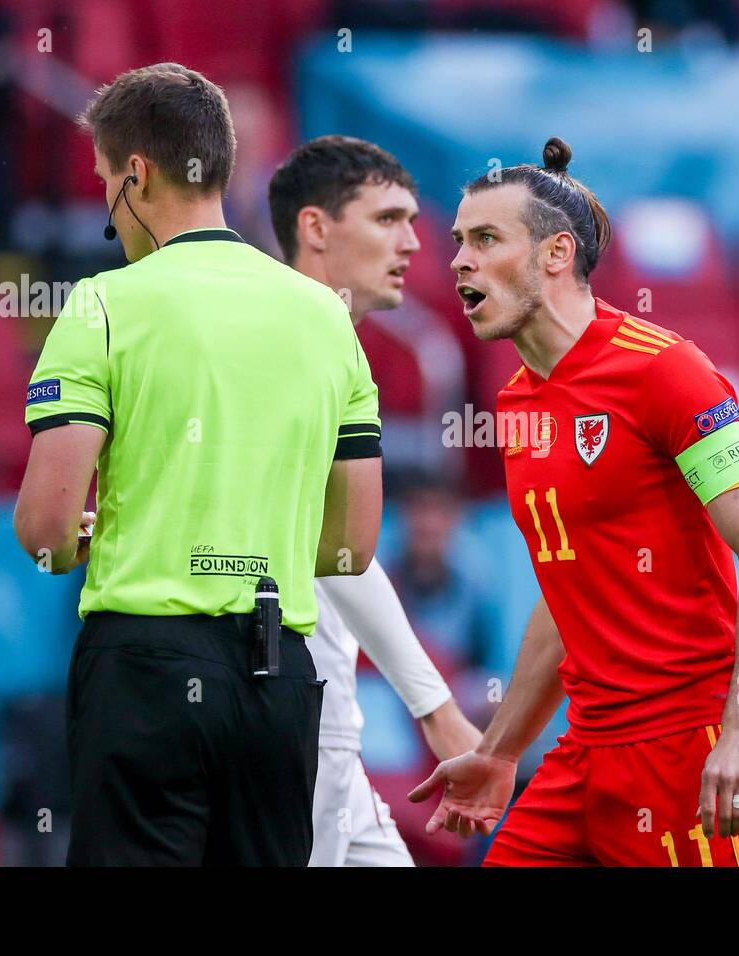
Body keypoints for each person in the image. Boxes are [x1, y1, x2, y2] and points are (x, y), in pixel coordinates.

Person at [13, 64, 383, 866]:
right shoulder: (326, 315)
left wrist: (87, 537)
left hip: (145, 670)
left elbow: (44, 531)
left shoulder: (103, 304)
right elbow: (352, 544)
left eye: (110, 182)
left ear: (137, 175)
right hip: (278, 673)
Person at [410, 138, 739, 867]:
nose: (458, 259)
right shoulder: (515, 403)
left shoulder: (668, 371)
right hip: (584, 753)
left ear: (557, 254)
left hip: (691, 747)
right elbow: (569, 593)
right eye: (458, 240)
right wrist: (499, 752)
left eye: (486, 239)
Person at [268, 135, 481, 867]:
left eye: (414, 220)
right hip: (296, 721)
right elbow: (339, 554)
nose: (413, 243)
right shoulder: (297, 345)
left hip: (321, 722)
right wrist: (438, 709)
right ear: (316, 228)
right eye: (388, 218)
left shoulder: (320, 345)